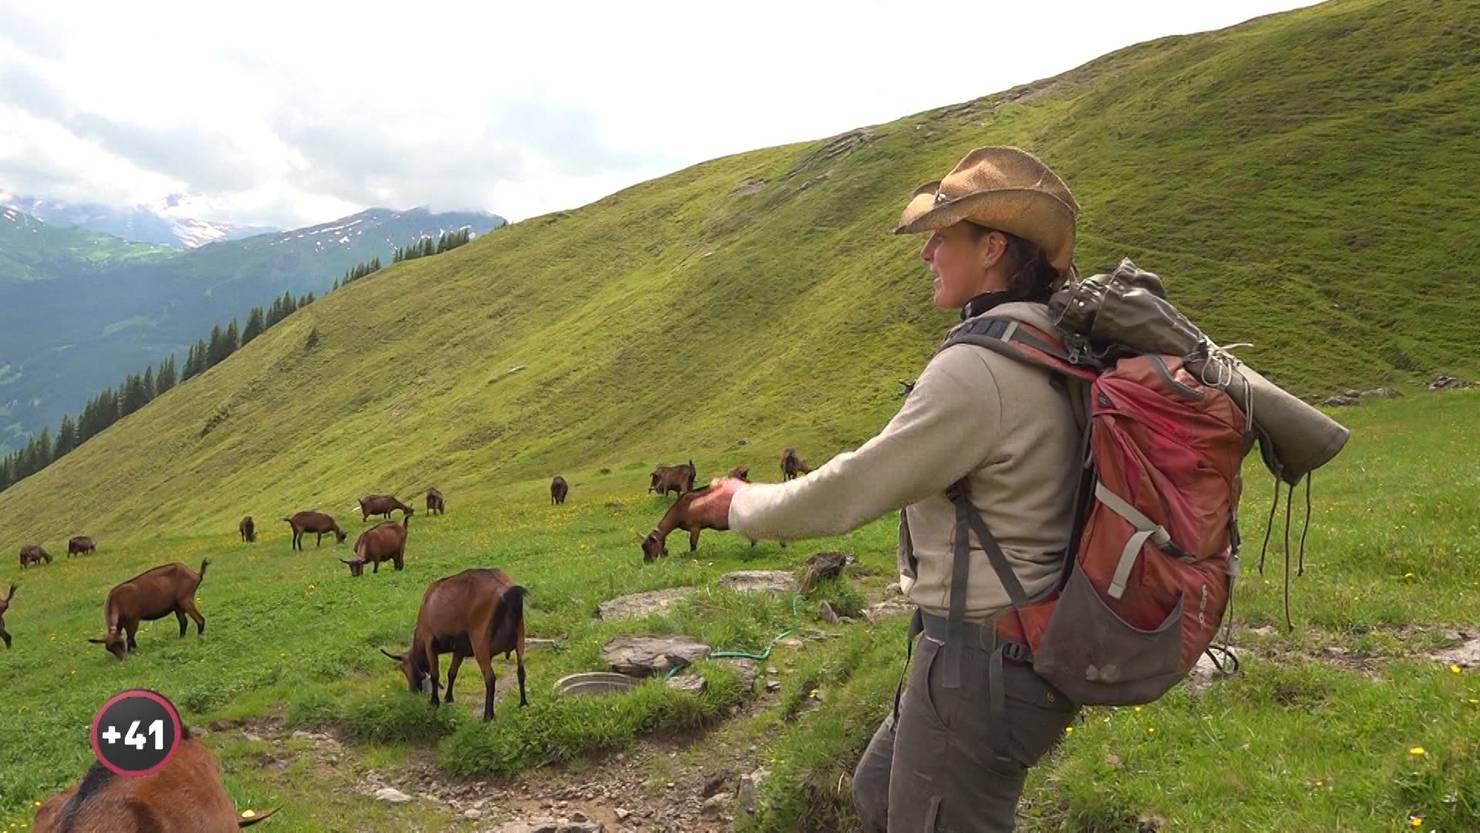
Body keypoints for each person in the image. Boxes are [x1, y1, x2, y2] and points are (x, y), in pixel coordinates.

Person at [688, 146, 1083, 832]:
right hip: (1007, 646)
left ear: (992, 247)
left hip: (981, 657)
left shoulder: (979, 370)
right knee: (877, 793)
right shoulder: (1045, 339)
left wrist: (741, 505)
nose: (927, 252)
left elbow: (855, 485)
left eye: (942, 237)